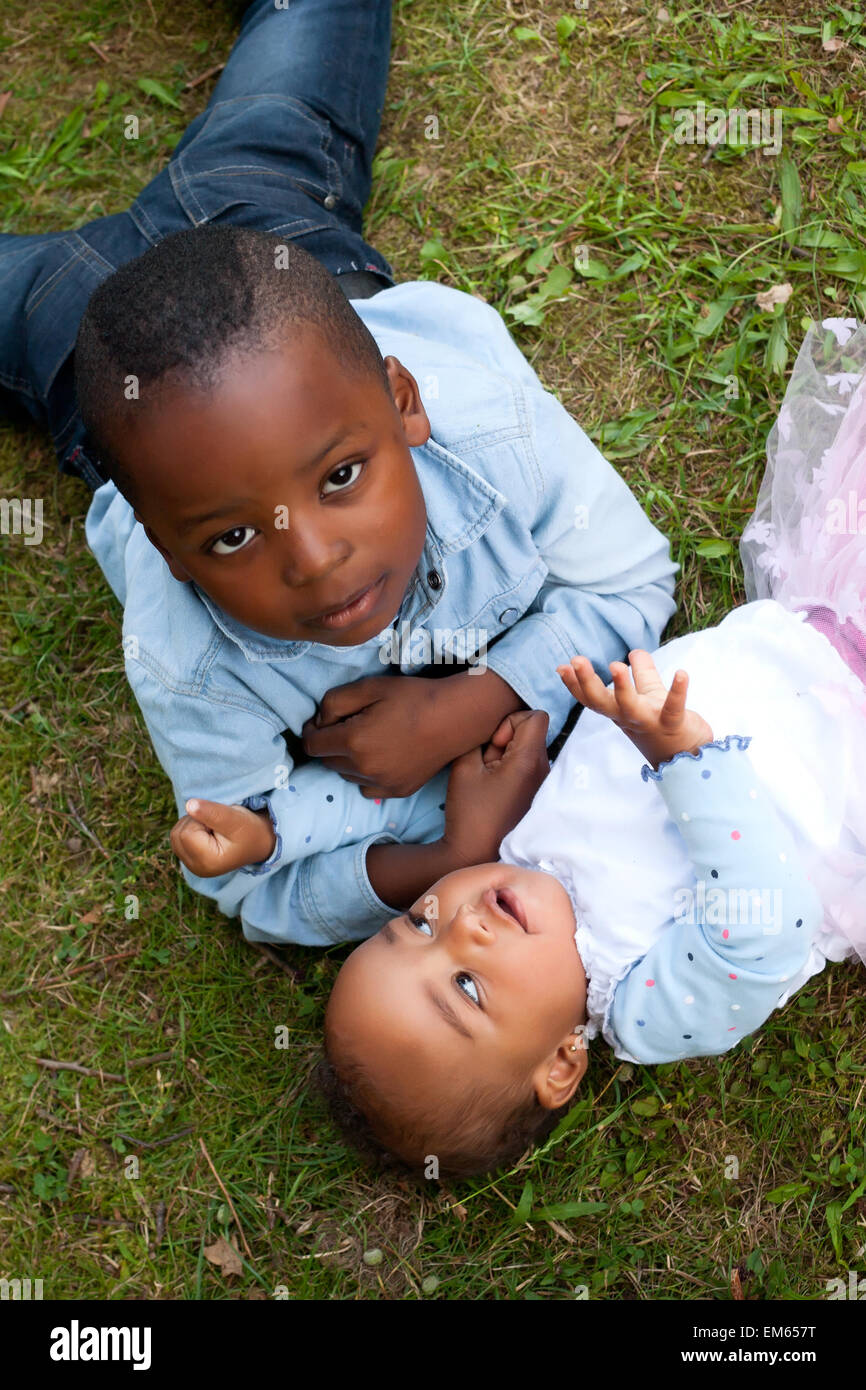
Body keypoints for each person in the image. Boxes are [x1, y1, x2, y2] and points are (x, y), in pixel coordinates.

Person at [0, 1, 677, 943]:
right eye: (232, 536)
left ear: (404, 404)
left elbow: (634, 578)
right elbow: (238, 874)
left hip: (271, 224)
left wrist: (474, 702)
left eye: (341, 475)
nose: (314, 559)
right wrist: (438, 864)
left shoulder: (491, 433)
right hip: (87, 357)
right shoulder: (185, 659)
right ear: (168, 551)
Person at [305, 315, 866, 1179]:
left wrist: (508, 795)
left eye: (415, 923)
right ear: (560, 1062)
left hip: (812, 636)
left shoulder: (528, 859)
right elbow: (766, 928)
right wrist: (684, 757)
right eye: (466, 989)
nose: (459, 926)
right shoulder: (646, 1003)